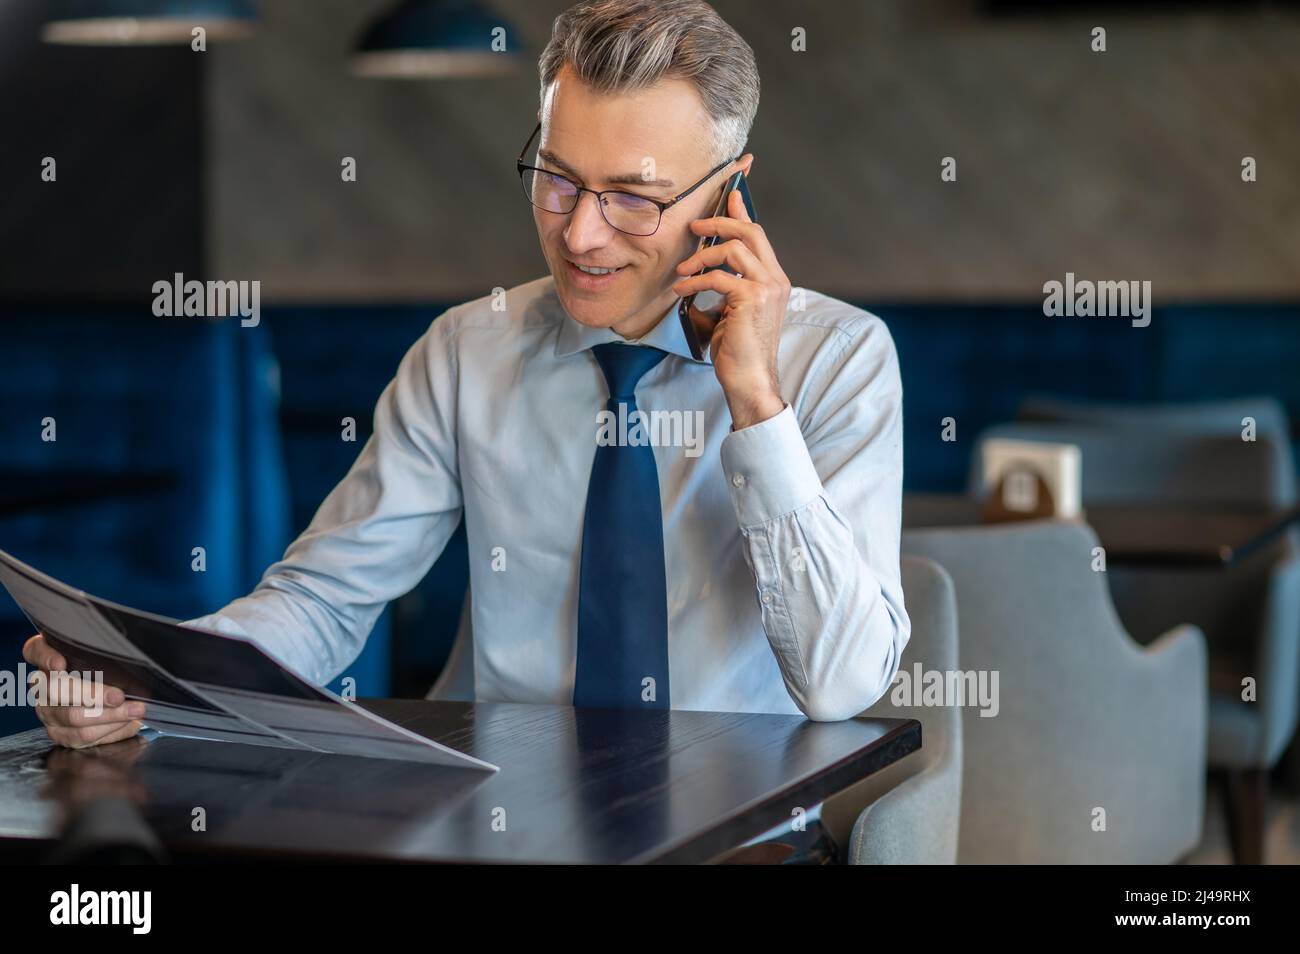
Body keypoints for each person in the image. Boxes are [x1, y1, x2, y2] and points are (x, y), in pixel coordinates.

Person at [24, 0, 909, 862]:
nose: (582, 234)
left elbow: (839, 686)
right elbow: (326, 600)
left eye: (633, 198)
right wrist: (149, 684)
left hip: (740, 846)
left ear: (728, 191)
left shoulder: (841, 362)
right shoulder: (464, 351)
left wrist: (757, 403)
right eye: (558, 179)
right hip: (506, 829)